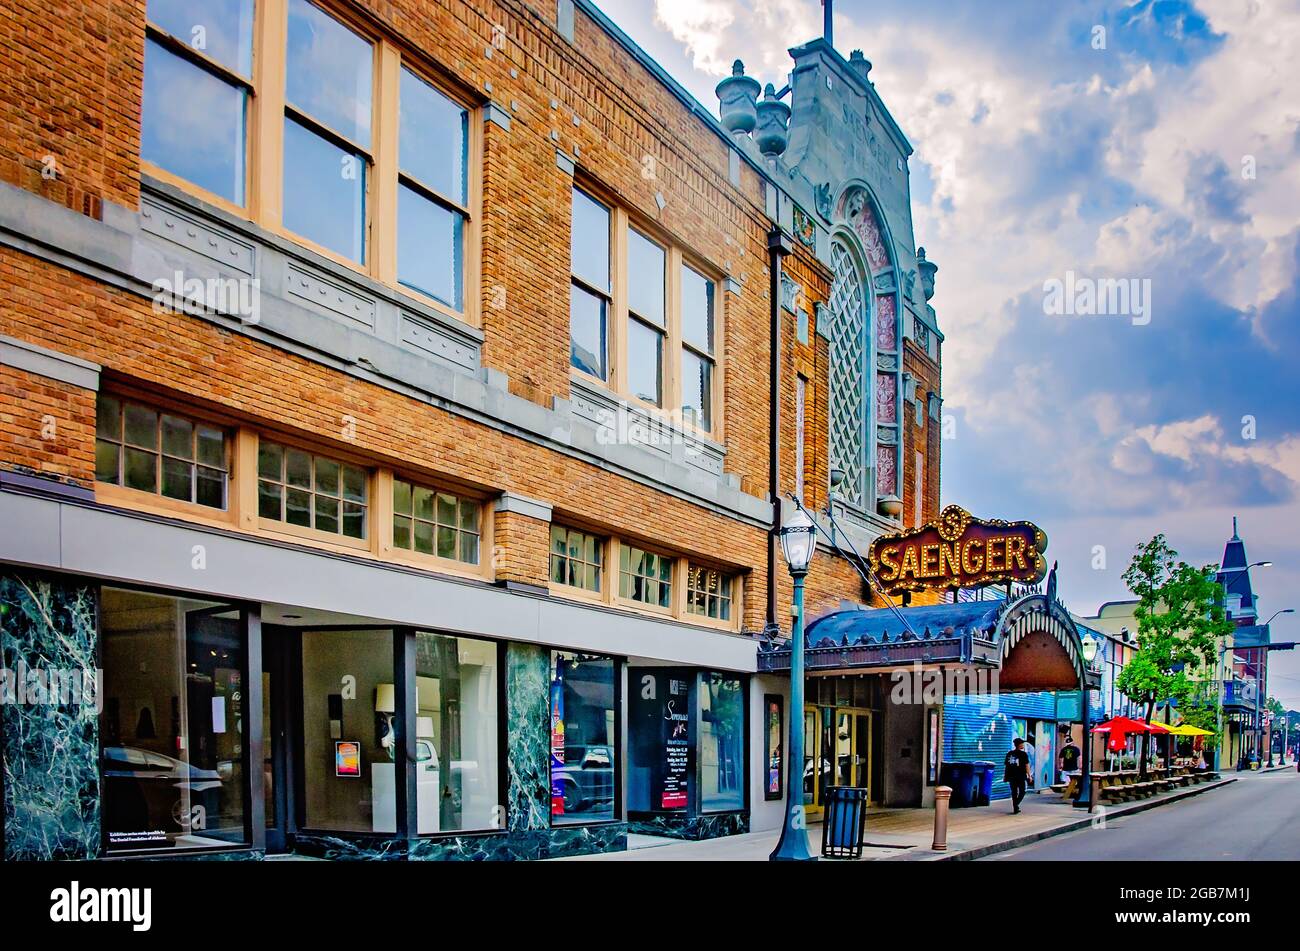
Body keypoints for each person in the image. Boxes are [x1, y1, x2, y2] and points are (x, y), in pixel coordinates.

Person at [1003, 737, 1031, 814]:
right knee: (1023, 791)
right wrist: (1029, 775)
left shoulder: (1009, 753)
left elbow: (1007, 765)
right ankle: (1016, 804)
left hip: (1011, 776)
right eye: (1022, 744)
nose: (1023, 745)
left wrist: (1005, 776)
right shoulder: (1023, 754)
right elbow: (1027, 765)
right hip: (1021, 776)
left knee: (1014, 792)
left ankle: (1015, 806)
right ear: (1019, 745)